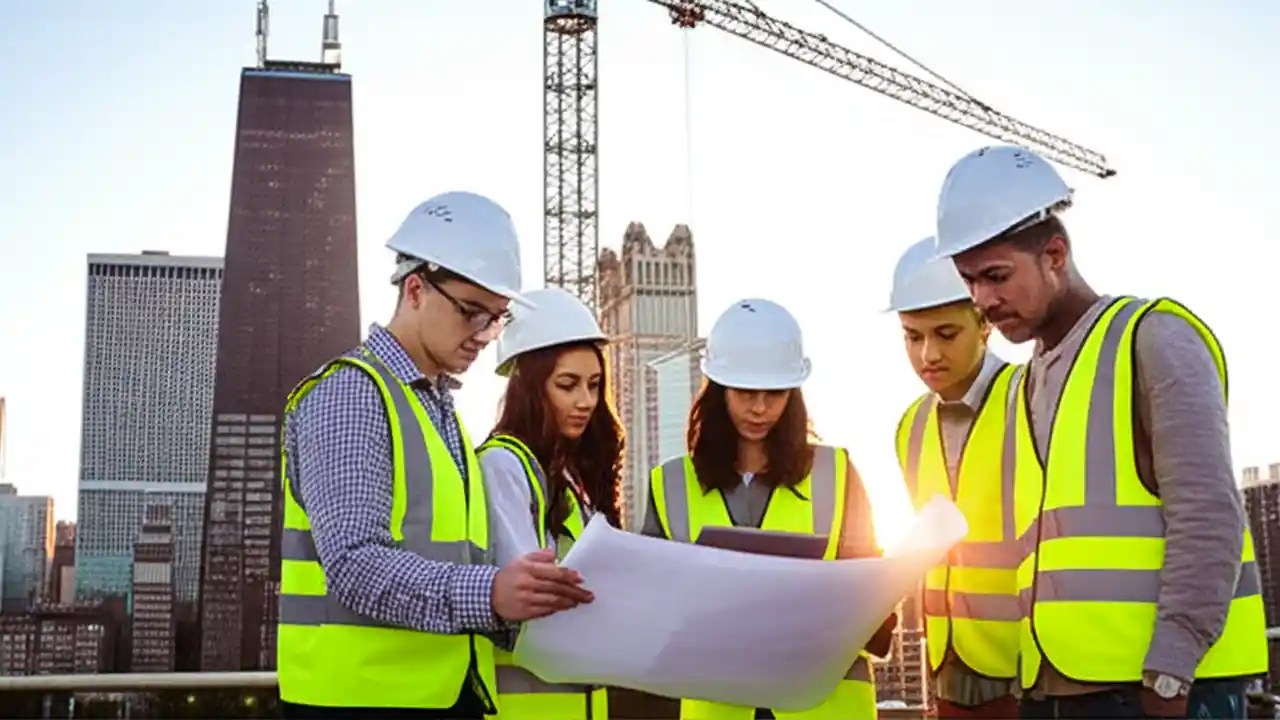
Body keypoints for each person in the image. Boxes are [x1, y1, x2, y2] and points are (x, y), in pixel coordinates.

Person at [931, 145, 1269, 719]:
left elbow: (1208, 512)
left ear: (1055, 255)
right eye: (970, 282)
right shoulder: (1021, 385)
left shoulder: (1152, 339)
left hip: (1165, 690)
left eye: (997, 276)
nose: (984, 300)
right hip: (1056, 689)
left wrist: (1170, 672)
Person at [276, 191, 594, 719]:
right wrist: (491, 592)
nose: (483, 336)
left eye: (496, 320)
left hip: (441, 697)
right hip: (356, 705)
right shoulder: (351, 396)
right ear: (417, 289)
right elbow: (355, 567)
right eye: (472, 313)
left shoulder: (439, 414)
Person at [641, 298, 895, 720]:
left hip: (823, 707)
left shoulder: (837, 473)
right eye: (745, 393)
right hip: (718, 706)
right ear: (719, 392)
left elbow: (873, 595)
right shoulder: (669, 486)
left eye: (775, 393)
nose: (759, 408)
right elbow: (651, 607)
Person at [887, 237, 1021, 719]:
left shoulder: (1028, 400)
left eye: (946, 334)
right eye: (912, 336)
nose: (928, 355)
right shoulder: (910, 427)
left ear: (985, 324)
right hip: (947, 671)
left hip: (1029, 671)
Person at [477, 286, 624, 720]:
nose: (586, 402)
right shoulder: (503, 464)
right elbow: (529, 600)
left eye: (594, 385)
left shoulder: (569, 474)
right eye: (568, 385)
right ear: (530, 388)